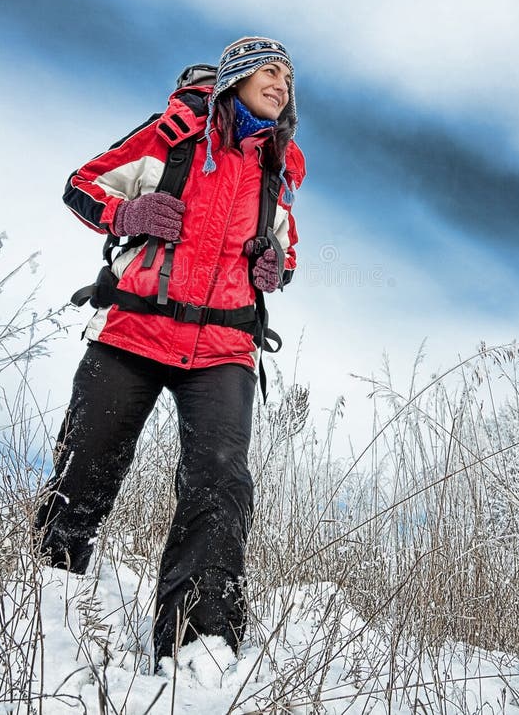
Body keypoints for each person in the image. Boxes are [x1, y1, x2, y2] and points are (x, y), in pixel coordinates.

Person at [34, 36, 306, 667]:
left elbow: (287, 247)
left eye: (289, 78)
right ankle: (47, 597)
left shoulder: (279, 165)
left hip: (224, 345)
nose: (282, 83)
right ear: (236, 76)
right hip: (135, 329)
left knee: (219, 484)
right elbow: (82, 185)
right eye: (270, 70)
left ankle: (198, 647)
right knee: (87, 463)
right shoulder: (172, 132)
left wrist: (275, 264)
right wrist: (130, 214)